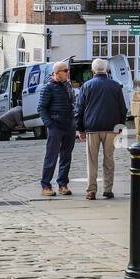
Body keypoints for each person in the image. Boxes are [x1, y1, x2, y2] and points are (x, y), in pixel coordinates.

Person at [75, 57, 127, 200]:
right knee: (109, 159)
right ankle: (108, 189)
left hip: (92, 127)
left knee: (92, 160)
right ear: (107, 70)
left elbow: (79, 109)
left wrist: (80, 129)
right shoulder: (116, 86)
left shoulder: (86, 86)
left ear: (93, 71)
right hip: (111, 128)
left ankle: (91, 190)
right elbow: (123, 109)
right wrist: (120, 127)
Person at [37, 61, 77, 197]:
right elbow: (41, 108)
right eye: (65, 71)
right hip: (55, 126)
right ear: (57, 73)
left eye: (67, 70)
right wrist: (50, 124)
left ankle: (63, 184)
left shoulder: (67, 85)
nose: (68, 73)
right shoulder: (48, 88)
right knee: (51, 156)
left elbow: (72, 102)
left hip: (69, 125)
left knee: (66, 156)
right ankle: (46, 185)